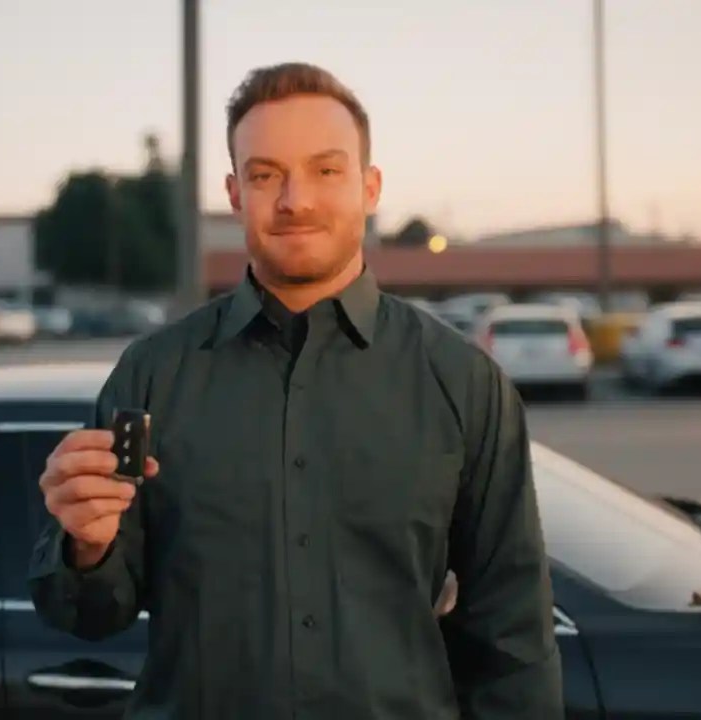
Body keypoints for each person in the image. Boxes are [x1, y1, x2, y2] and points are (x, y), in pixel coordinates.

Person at [29, 61, 563, 719]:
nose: (295, 200)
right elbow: (90, 616)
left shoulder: (462, 382)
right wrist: (86, 546)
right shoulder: (153, 375)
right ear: (234, 194)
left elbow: (514, 645)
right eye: (265, 175)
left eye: (326, 170)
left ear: (370, 187)